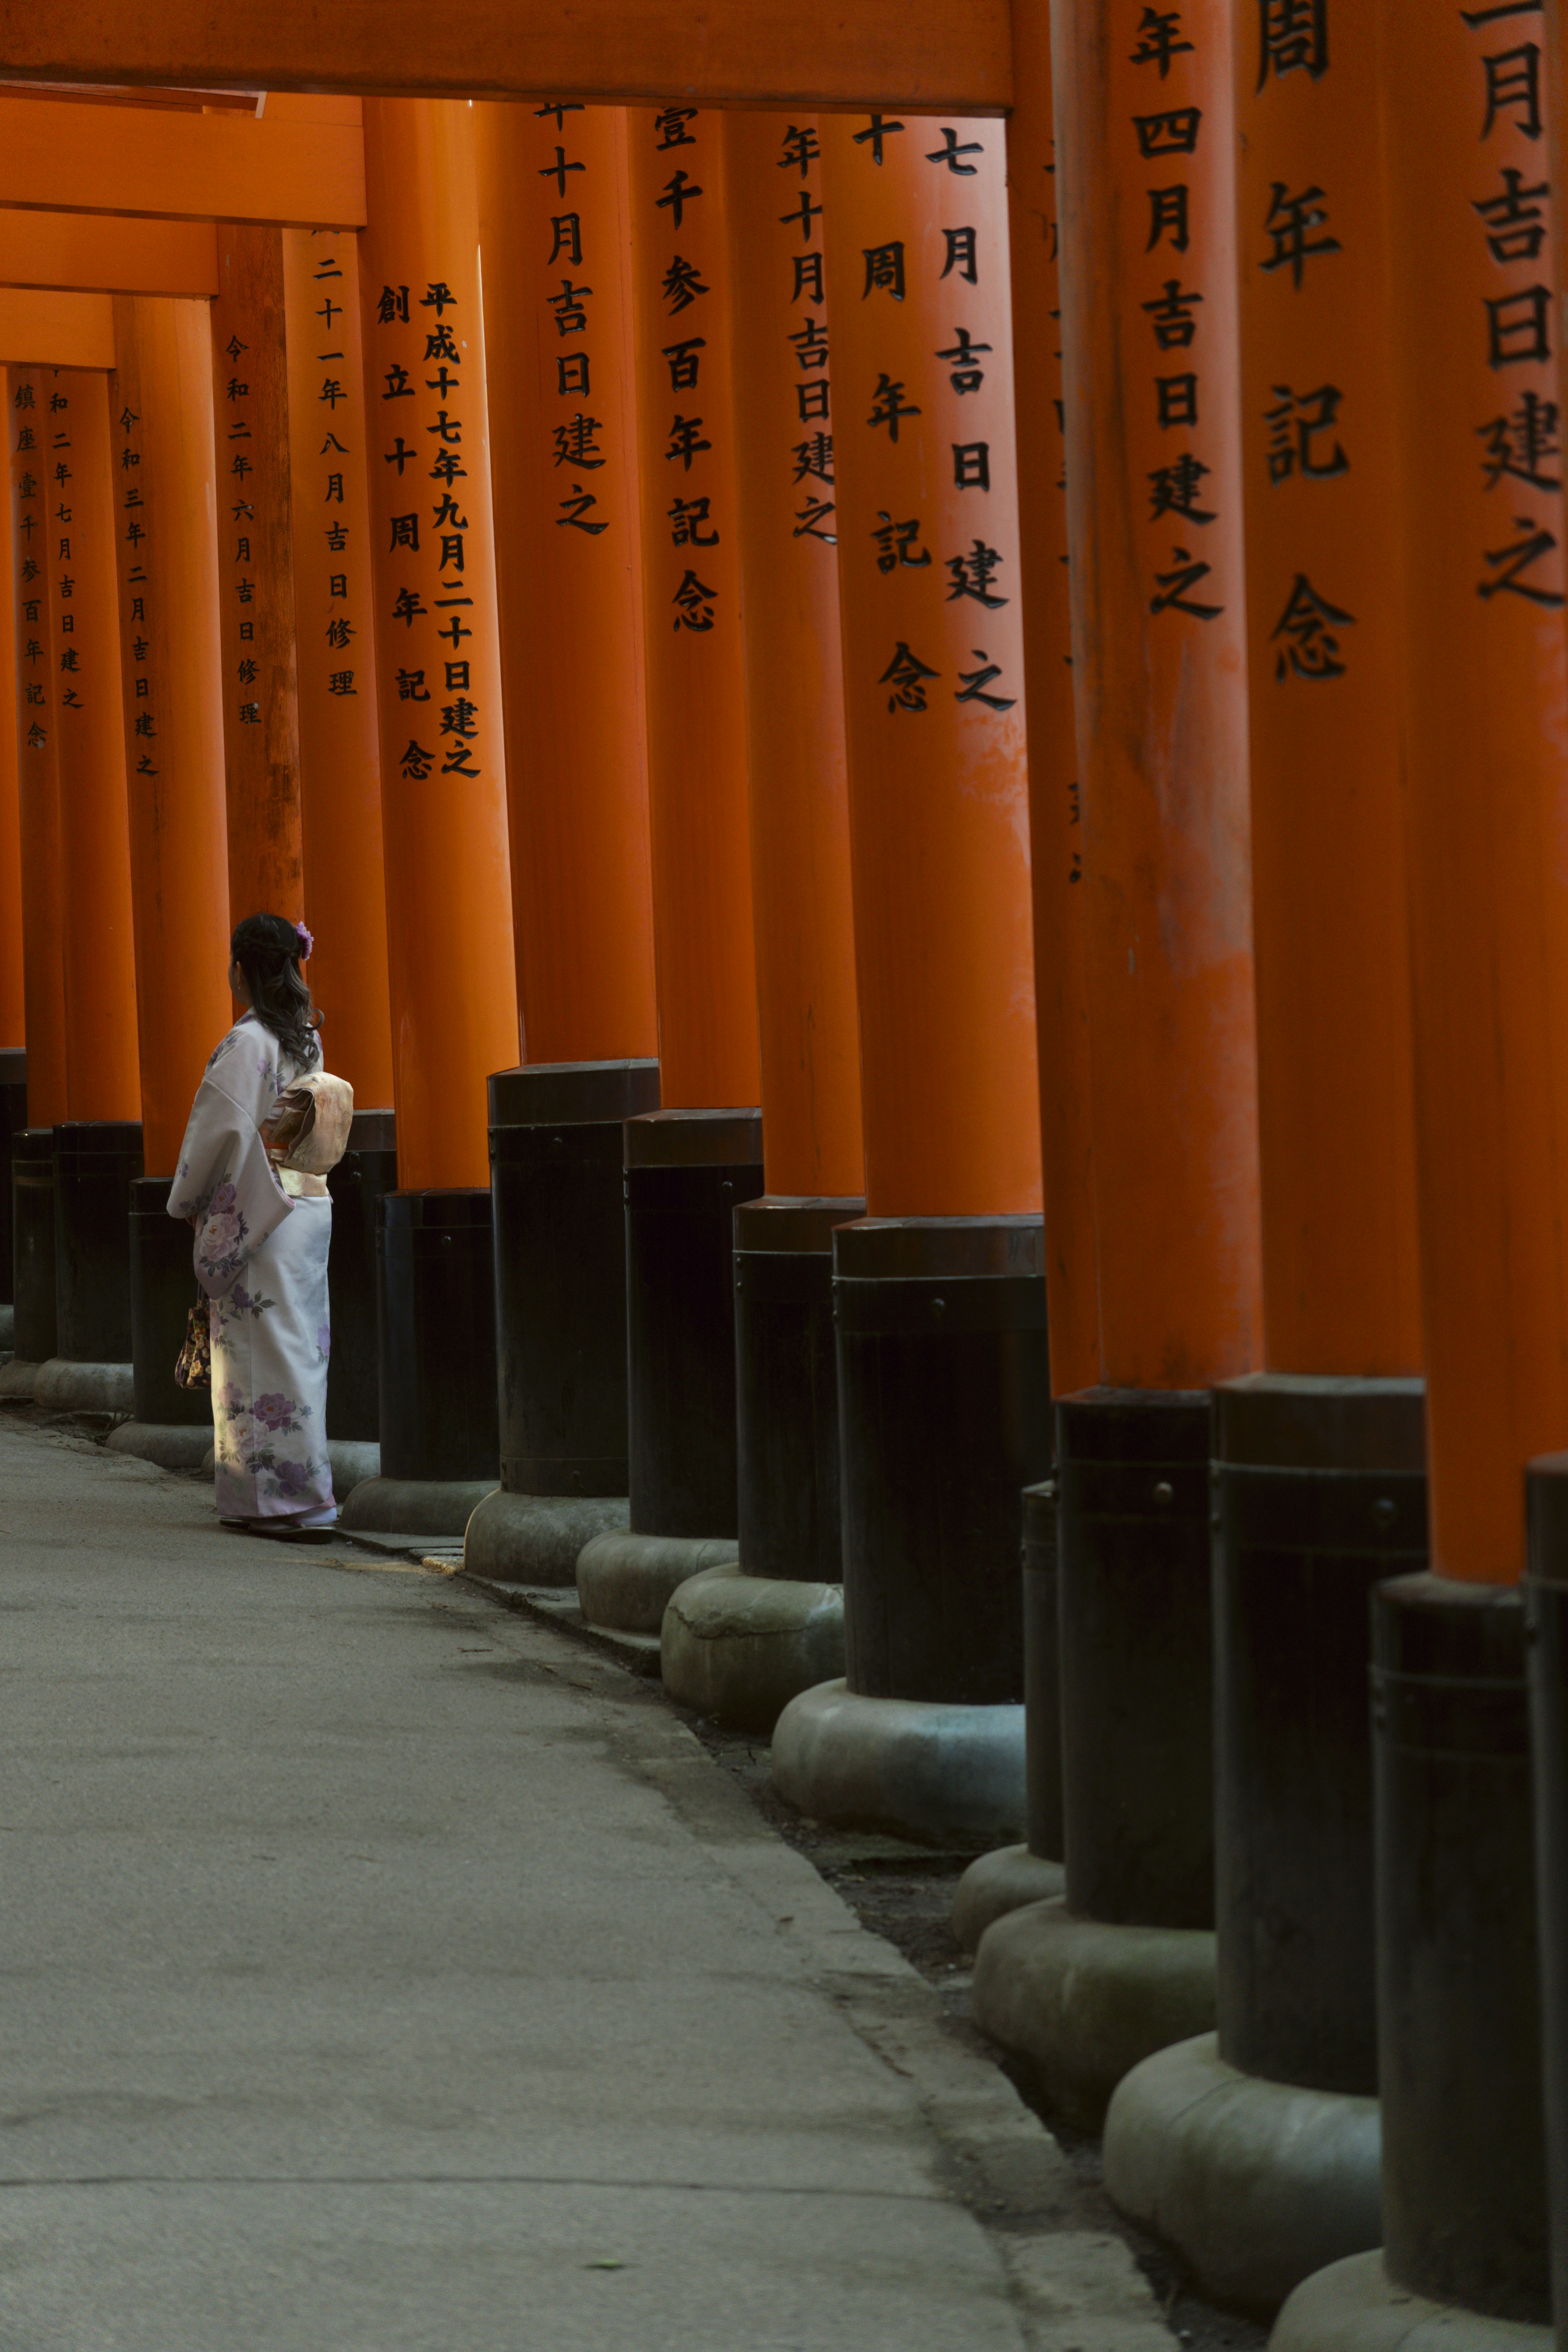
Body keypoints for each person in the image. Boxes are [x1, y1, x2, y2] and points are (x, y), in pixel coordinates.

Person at [167, 914, 337, 1541]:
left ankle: (282, 1500)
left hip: (263, 1213)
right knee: (299, 1350)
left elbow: (222, 1130)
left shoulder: (247, 1044)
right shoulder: (304, 1039)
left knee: (262, 1358)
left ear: (241, 970)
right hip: (308, 1206)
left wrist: (190, 1200)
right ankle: (304, 1493)